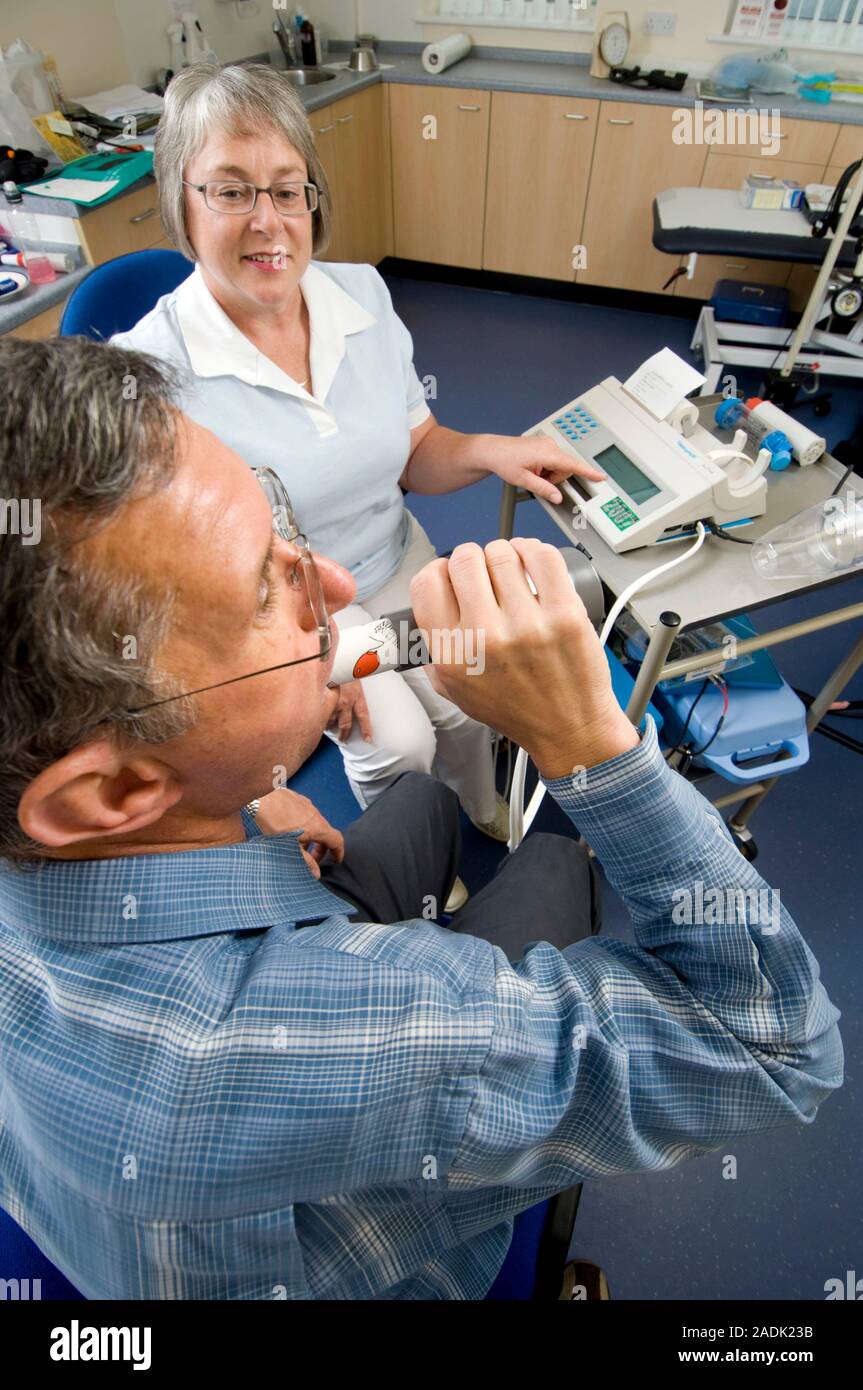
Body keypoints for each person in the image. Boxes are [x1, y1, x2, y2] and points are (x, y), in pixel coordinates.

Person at [0, 338, 842, 1301]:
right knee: (558, 869)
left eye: (279, 523)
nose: (338, 586)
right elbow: (779, 1048)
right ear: (109, 794)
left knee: (425, 799)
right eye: (264, 592)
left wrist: (230, 794)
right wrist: (590, 742)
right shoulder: (367, 1033)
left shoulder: (62, 799)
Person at [111, 63, 605, 911]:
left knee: (466, 700)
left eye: (286, 189)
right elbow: (164, 591)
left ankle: (483, 811)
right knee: (401, 740)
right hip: (295, 611)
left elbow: (416, 452)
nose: (268, 221)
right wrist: (294, 665)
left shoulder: (362, 296)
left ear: (312, 198)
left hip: (392, 556)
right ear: (180, 204)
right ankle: (427, 873)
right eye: (231, 192)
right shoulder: (149, 376)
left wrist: (490, 450)